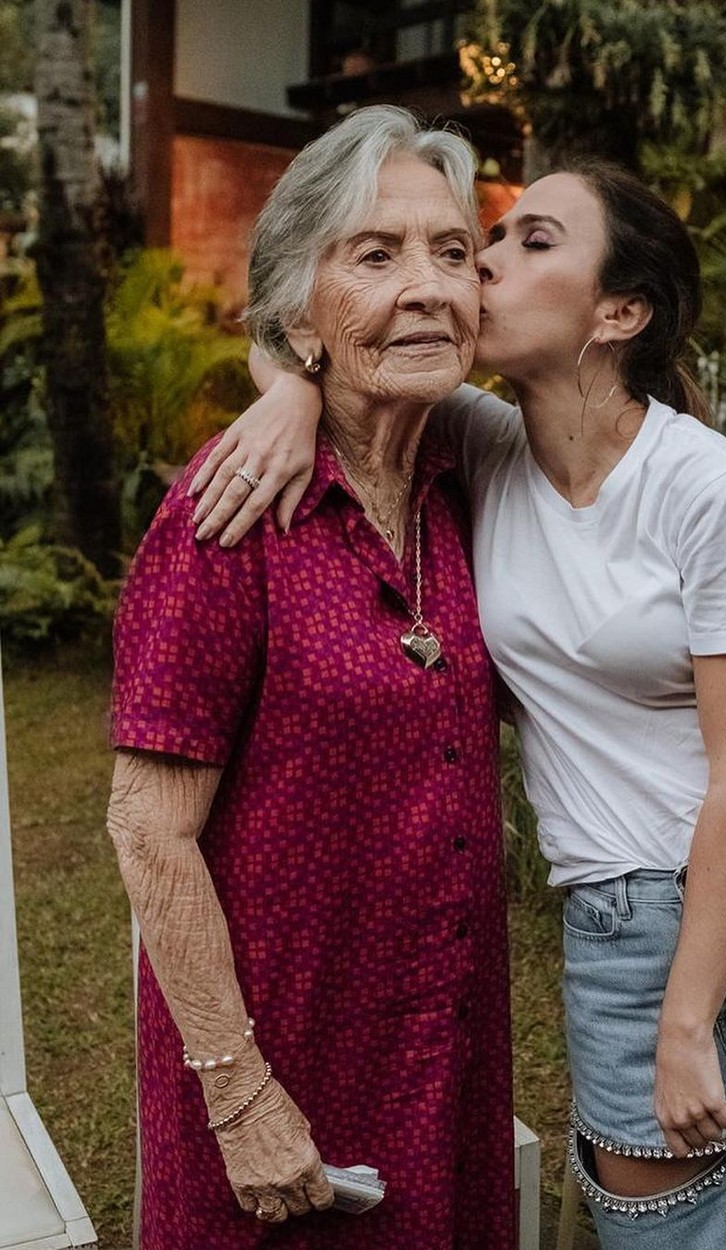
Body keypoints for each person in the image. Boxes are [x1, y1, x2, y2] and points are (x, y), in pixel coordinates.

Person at [191, 136, 726, 1250]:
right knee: (659, 1235)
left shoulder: (708, 484)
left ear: (616, 314)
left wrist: (688, 1017)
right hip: (621, 914)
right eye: (492, 237)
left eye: (529, 239)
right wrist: (284, 396)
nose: (482, 264)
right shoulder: (475, 441)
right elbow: (331, 340)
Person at [107, 105, 517, 1250]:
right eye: (375, 254)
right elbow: (146, 827)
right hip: (283, 1045)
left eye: (450, 251)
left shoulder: (466, 480)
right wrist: (238, 1093)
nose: (430, 285)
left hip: (442, 1039)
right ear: (300, 313)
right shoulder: (230, 510)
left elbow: (620, 607)